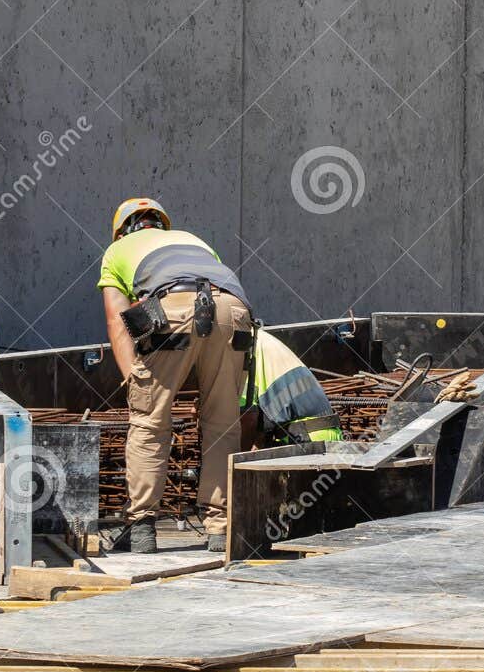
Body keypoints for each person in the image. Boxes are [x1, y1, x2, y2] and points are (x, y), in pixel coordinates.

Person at [98, 197, 253, 554]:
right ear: (162, 224)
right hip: (234, 309)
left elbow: (116, 320)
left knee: (150, 423)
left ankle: (141, 528)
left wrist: (134, 381)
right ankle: (220, 529)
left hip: (173, 308)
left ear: (121, 230)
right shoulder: (194, 240)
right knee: (223, 421)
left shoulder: (117, 250)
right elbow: (212, 296)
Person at [241, 329, 343, 448]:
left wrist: (234, 459)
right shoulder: (257, 338)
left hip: (307, 442)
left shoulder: (241, 349)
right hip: (321, 436)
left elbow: (247, 418)